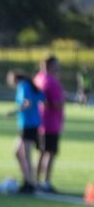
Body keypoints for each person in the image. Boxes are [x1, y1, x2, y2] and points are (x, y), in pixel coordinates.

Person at [5, 71, 44, 193]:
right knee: (19, 152)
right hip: (32, 123)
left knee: (25, 154)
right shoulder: (30, 85)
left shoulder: (23, 86)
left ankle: (29, 183)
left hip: (28, 124)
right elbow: (41, 97)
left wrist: (13, 112)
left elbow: (27, 103)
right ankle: (28, 180)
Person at [34, 55, 65, 193]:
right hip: (50, 122)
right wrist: (63, 101)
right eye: (57, 65)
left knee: (41, 153)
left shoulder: (38, 78)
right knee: (49, 153)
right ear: (51, 66)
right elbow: (56, 103)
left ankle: (35, 180)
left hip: (40, 121)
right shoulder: (51, 81)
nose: (59, 67)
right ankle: (45, 182)